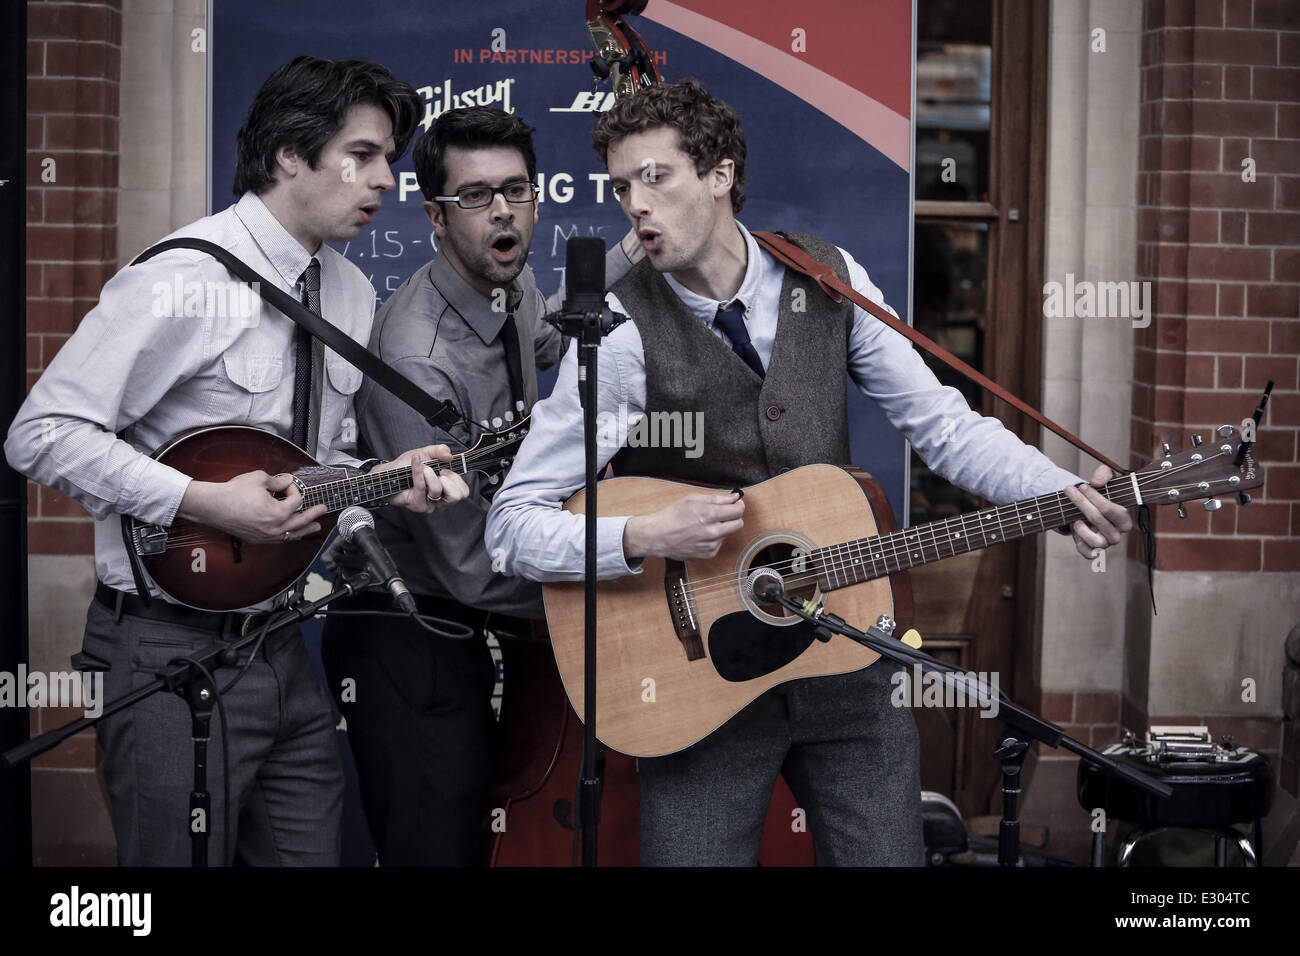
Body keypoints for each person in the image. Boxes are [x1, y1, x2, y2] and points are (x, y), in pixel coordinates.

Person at [484, 78, 1132, 866]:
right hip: (699, 686)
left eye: (655, 178)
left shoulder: (827, 278)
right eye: (622, 187)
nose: (635, 207)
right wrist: (643, 535)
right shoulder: (620, 330)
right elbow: (511, 526)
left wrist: (1057, 493)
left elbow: (944, 426)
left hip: (846, 662)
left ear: (720, 174)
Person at [4, 56, 470, 866]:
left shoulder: (350, 292)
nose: (385, 180)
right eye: (362, 155)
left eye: (389, 158)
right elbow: (41, 432)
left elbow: (314, 464)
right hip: (164, 648)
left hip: (281, 644)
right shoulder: (184, 275)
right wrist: (203, 501)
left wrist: (382, 486)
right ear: (291, 154)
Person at [320, 106, 638, 866]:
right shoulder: (415, 358)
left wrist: (640, 242)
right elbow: (469, 564)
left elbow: (549, 335)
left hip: (473, 621)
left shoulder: (511, 279)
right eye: (474, 196)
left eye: (516, 190)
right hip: (407, 632)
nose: (502, 210)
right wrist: (624, 579)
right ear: (435, 215)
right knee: (435, 852)